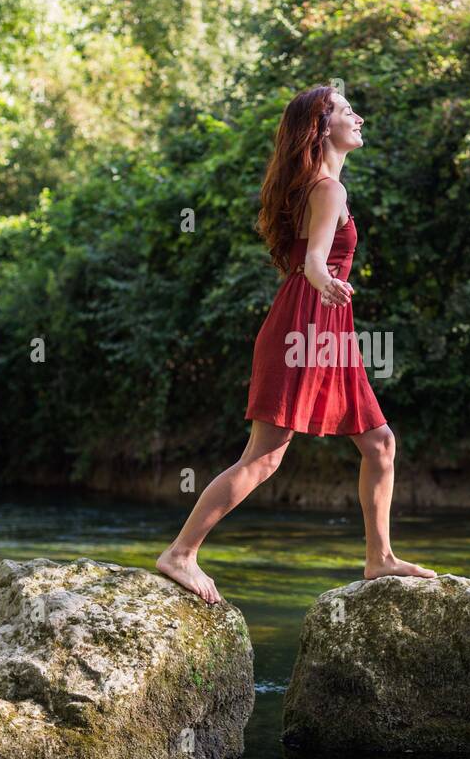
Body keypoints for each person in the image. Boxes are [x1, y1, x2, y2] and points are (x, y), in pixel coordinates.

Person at [157, 84, 436, 602]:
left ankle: (380, 558)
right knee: (264, 459)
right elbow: (314, 261)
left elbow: (313, 256)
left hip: (326, 331)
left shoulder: (316, 185)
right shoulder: (328, 190)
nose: (359, 118)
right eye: (347, 111)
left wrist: (321, 280)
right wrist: (323, 279)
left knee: (380, 444)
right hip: (304, 329)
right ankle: (180, 554)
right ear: (321, 126)